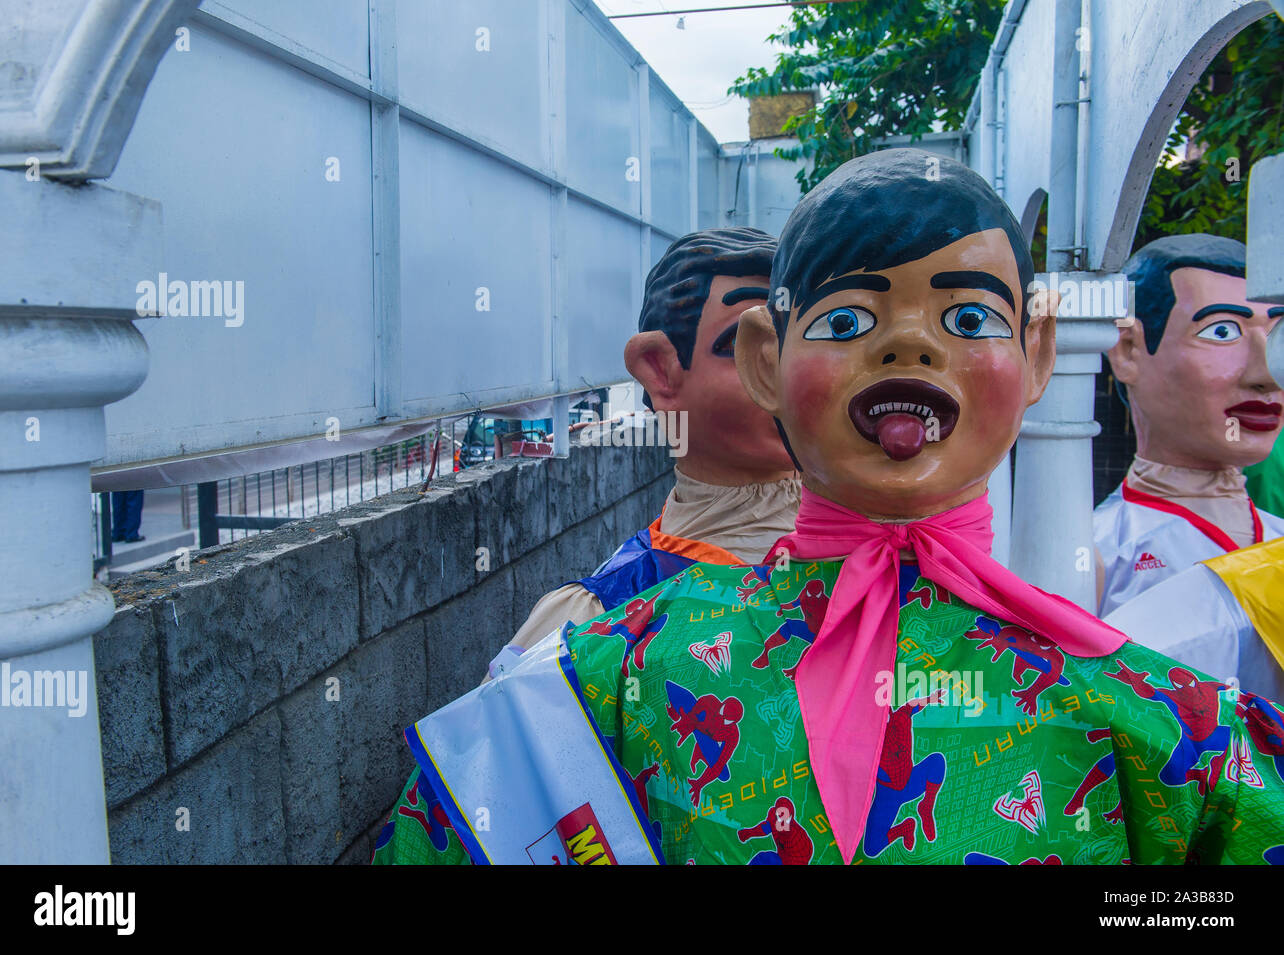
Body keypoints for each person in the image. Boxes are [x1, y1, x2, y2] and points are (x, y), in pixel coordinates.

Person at [374, 150, 1284, 866]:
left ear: (1037, 356)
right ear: (769, 359)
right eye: (847, 320)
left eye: (968, 320)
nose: (909, 344)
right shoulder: (614, 672)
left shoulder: (1160, 716)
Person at [483, 228, 799, 679]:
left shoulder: (901, 551)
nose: (788, 371)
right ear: (659, 370)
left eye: (801, 338)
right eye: (738, 345)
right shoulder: (599, 621)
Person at [1094, 235, 1284, 617]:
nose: (1268, 375)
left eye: (1279, 336)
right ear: (1128, 351)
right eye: (1222, 331)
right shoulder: (1098, 554)